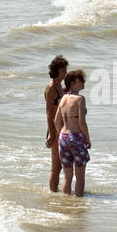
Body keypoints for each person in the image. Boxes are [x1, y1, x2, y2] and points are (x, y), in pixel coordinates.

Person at [54, 69, 91, 195]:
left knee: (67, 177)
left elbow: (56, 121)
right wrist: (88, 139)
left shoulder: (63, 98)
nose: (84, 83)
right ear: (73, 83)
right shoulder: (80, 99)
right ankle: (78, 207)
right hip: (76, 138)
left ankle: (67, 205)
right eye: (81, 80)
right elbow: (82, 123)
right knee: (80, 177)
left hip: (63, 138)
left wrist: (62, 135)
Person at [44, 55, 69, 192]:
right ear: (57, 70)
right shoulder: (51, 87)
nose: (65, 72)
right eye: (64, 70)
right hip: (54, 128)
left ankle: (57, 191)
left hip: (62, 128)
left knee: (61, 165)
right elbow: (48, 112)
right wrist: (52, 133)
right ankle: (53, 193)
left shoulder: (60, 86)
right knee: (56, 166)